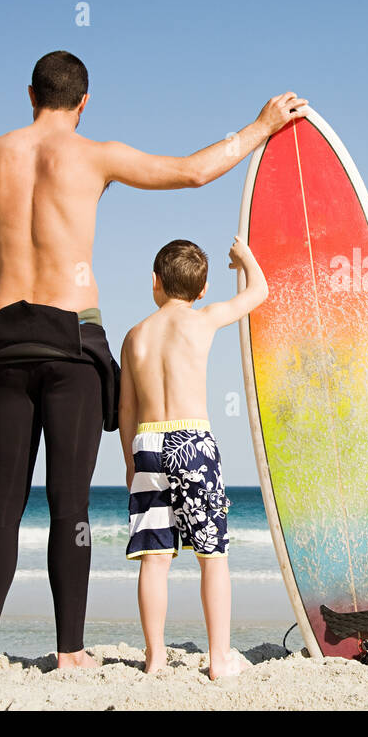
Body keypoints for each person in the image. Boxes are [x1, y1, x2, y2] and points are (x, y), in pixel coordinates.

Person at [0, 51, 307, 672]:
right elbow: (194, 172)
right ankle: (69, 653)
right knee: (71, 507)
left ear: (29, 94)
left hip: (5, 342)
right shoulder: (96, 155)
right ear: (83, 102)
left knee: (2, 505)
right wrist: (261, 125)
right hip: (73, 345)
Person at [119, 237, 267, 678]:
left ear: (155, 282)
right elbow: (258, 291)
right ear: (202, 291)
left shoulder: (134, 337)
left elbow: (125, 409)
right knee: (212, 554)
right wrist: (245, 258)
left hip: (146, 442)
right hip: (193, 443)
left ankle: (155, 657)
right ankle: (219, 658)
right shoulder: (203, 319)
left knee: (154, 558)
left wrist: (130, 461)